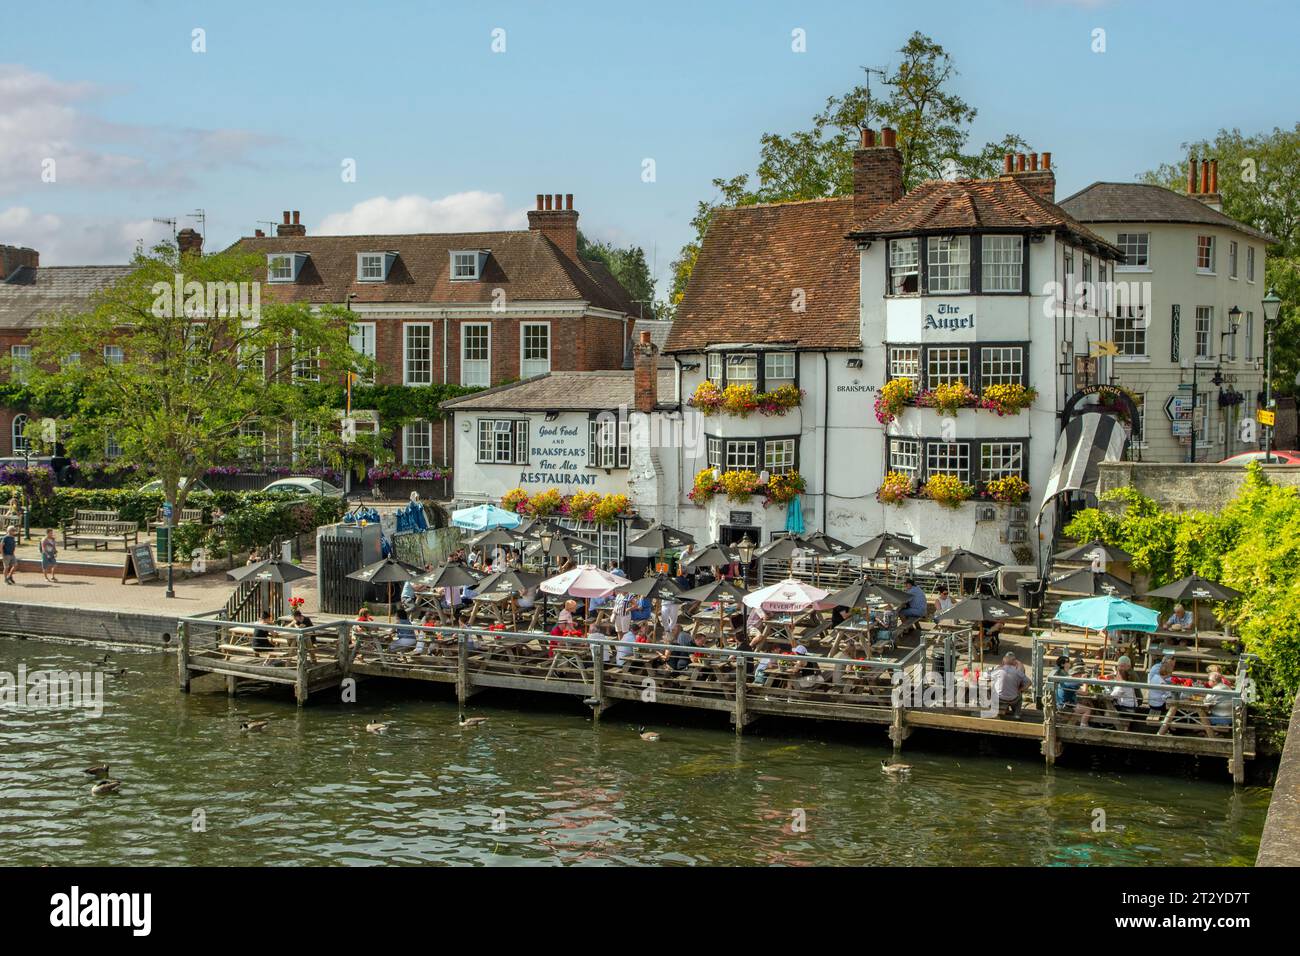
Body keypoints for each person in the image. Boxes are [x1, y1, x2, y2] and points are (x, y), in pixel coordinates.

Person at [992, 652, 1032, 718]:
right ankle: (1017, 714)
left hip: (1000, 698)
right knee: (1018, 696)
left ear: (1003, 662)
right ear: (1014, 662)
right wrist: (1020, 690)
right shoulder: (1018, 670)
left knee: (994, 689)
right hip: (1013, 699)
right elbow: (1029, 682)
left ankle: (997, 711)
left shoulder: (999, 670)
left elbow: (987, 676)